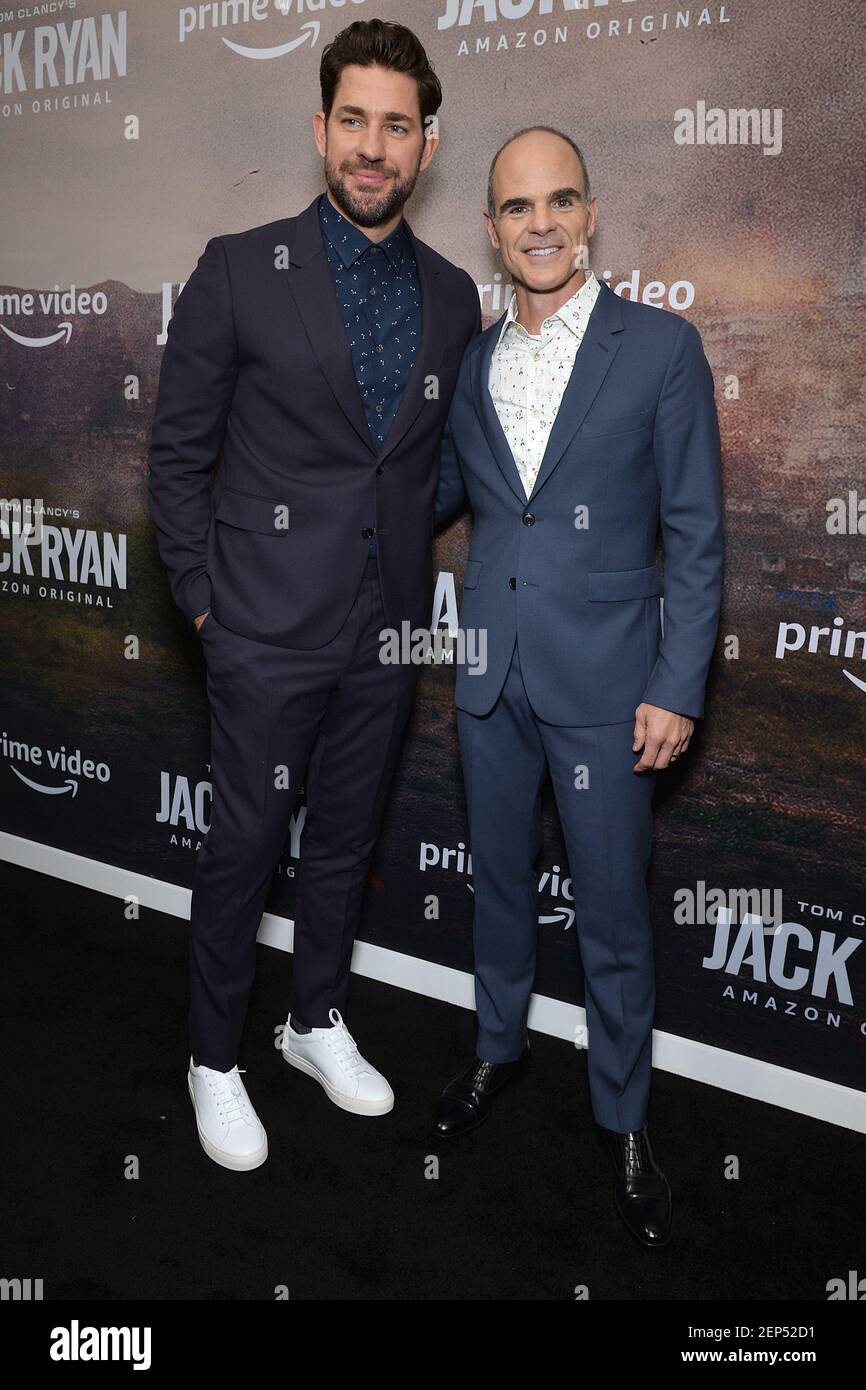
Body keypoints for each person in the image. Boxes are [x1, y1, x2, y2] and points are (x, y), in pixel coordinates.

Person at [148, 19, 481, 1171]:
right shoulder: (241, 267)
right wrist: (204, 603)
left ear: (425, 146)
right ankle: (211, 1057)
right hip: (260, 628)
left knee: (343, 839)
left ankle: (312, 1020)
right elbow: (177, 457)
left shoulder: (450, 297)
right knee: (241, 846)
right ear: (318, 129)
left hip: (387, 628)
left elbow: (430, 466)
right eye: (354, 120)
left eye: (396, 125)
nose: (372, 146)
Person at [431, 126, 723, 1247]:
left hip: (611, 687)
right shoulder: (472, 360)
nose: (539, 223)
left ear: (591, 214)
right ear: (492, 227)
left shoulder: (659, 347)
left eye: (559, 202)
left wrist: (676, 683)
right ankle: (495, 1052)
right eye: (515, 207)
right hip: (488, 670)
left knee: (609, 914)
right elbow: (449, 494)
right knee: (498, 886)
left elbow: (695, 532)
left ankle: (624, 1116)